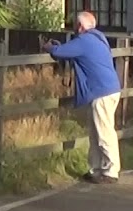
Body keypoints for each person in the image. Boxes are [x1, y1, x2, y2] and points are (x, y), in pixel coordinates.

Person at [43, 11, 122, 184]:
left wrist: (49, 47)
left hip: (101, 91)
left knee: (103, 132)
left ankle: (111, 170)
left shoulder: (84, 41)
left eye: (74, 25)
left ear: (80, 26)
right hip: (108, 88)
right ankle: (97, 168)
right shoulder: (99, 38)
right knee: (96, 132)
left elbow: (61, 51)